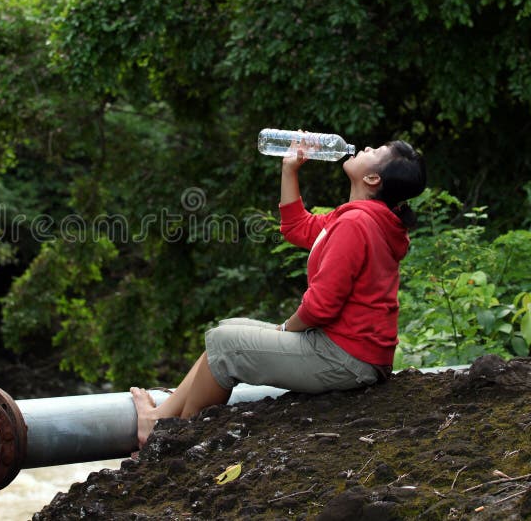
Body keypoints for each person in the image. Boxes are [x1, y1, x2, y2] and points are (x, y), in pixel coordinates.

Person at [131, 139, 427, 448]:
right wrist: (290, 170)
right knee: (229, 329)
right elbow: (298, 228)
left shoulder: (356, 222)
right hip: (356, 353)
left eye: (373, 152)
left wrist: (285, 329)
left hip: (346, 358)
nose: (365, 149)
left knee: (226, 344)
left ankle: (174, 445)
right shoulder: (360, 216)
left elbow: (321, 307)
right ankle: (159, 420)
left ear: (372, 179)